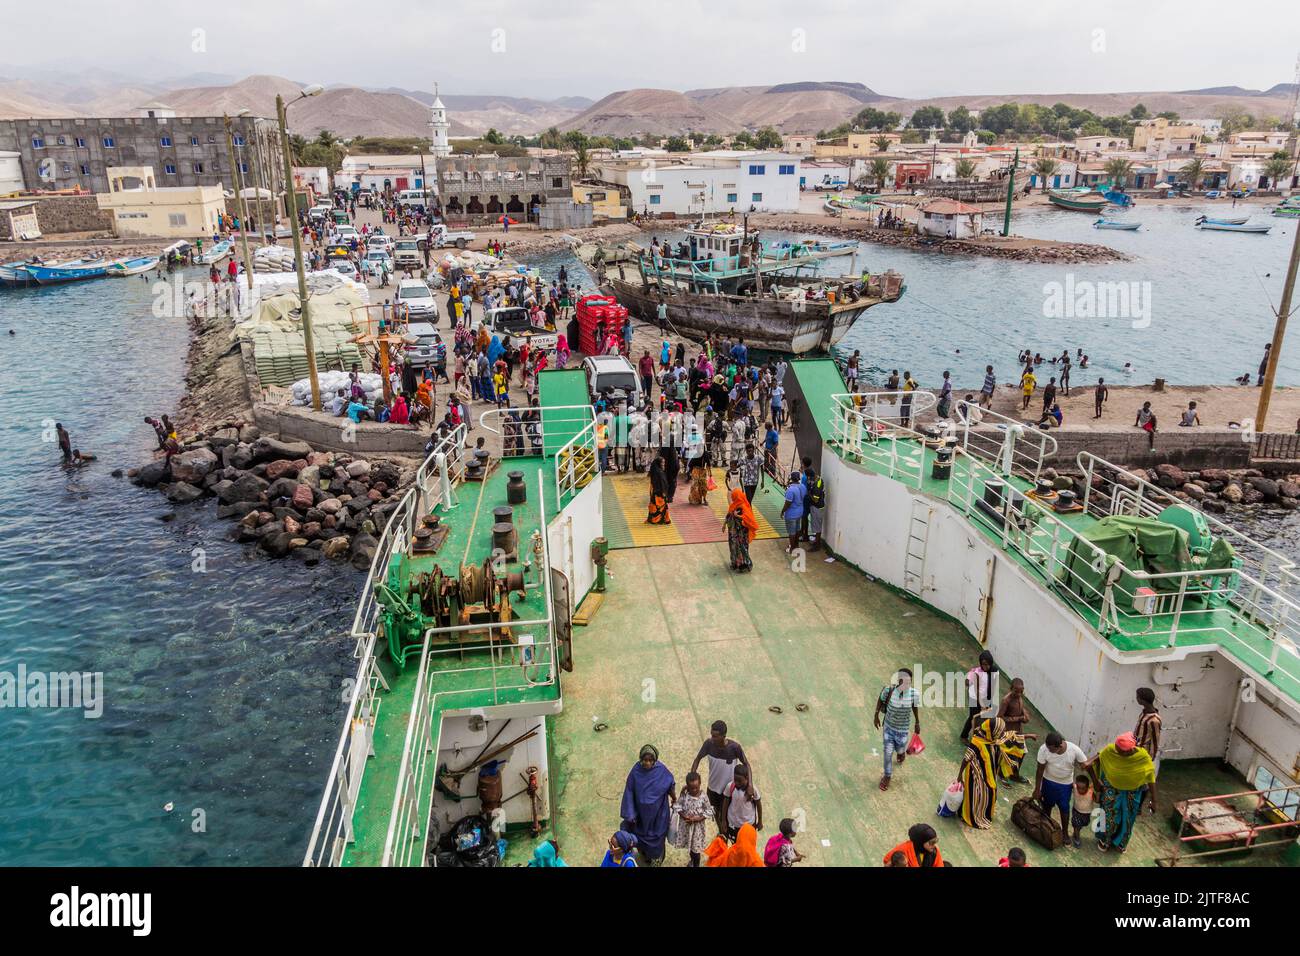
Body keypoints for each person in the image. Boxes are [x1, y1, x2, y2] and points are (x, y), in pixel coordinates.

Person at [1086, 733, 1157, 853]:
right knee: (1108, 816)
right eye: (1116, 749)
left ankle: (1122, 842)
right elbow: (1100, 756)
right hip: (1111, 789)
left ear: (1128, 751)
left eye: (1120, 751)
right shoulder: (1111, 750)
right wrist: (1094, 773)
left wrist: (1154, 801)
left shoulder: (1142, 757)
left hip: (1132, 792)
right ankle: (1105, 840)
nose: (1116, 752)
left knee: (1128, 818)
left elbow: (1150, 778)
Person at [958, 718, 1025, 829]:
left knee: (991, 792)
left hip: (989, 773)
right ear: (994, 731)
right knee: (979, 794)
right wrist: (960, 775)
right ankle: (971, 816)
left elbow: (1009, 736)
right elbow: (966, 759)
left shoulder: (993, 739)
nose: (1003, 732)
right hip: (976, 773)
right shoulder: (977, 741)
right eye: (1001, 730)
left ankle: (982, 814)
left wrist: (1029, 736)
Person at [690, 720, 752, 835]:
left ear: (724, 736)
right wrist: (691, 778)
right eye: (711, 735)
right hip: (713, 788)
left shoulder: (735, 747)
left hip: (729, 790)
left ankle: (728, 834)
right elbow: (697, 759)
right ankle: (722, 835)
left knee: (727, 815)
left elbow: (747, 764)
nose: (712, 738)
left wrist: (750, 784)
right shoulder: (708, 744)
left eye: (715, 736)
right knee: (716, 813)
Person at [619, 744, 676, 865]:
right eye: (645, 760)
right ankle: (645, 855)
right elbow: (629, 790)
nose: (648, 763)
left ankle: (657, 859)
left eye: (651, 760)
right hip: (640, 817)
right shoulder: (635, 772)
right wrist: (630, 813)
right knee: (640, 838)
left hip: (658, 816)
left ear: (655, 760)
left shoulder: (661, 771)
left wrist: (674, 798)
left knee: (657, 840)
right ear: (641, 759)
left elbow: (670, 784)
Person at [873, 667, 921, 791]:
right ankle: (887, 776)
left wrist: (917, 722)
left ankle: (901, 753)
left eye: (908, 681)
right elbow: (880, 699)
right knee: (888, 753)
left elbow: (914, 707)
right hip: (888, 727)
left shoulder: (914, 694)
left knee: (900, 748)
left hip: (903, 729)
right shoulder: (888, 690)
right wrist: (876, 715)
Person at [1033, 731, 1087, 838]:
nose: (1049, 751)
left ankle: (1065, 833)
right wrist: (1037, 788)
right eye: (1048, 748)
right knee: (1047, 805)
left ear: (1060, 745)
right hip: (1048, 781)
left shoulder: (1074, 750)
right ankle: (1046, 829)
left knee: (1064, 808)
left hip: (1065, 785)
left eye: (1052, 750)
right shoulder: (1044, 749)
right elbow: (1040, 770)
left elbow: (1084, 764)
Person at [672, 772, 712, 867]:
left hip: (697, 830)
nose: (694, 790)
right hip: (686, 828)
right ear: (687, 786)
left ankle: (696, 864)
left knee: (696, 850)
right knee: (690, 848)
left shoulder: (703, 796)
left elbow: (709, 811)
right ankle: (692, 861)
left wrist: (697, 819)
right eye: (691, 788)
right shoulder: (685, 795)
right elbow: (677, 806)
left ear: (700, 784)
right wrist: (684, 816)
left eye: (696, 788)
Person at [959, 650, 999, 741]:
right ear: (980, 663)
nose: (986, 666)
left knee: (985, 716)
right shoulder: (977, 673)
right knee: (973, 716)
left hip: (984, 696)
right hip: (974, 697)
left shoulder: (994, 671)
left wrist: (989, 702)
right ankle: (964, 736)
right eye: (983, 664)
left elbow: (993, 685)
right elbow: (976, 691)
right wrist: (982, 705)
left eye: (988, 664)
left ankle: (979, 736)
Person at [720, 764, 762, 841]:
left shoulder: (753, 790)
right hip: (733, 823)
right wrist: (723, 821)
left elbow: (759, 804)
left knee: (747, 847)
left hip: (748, 825)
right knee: (735, 845)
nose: (736, 782)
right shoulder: (730, 786)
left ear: (747, 778)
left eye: (739, 780)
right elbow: (725, 803)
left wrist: (760, 821)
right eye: (735, 779)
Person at [726, 486, 758, 572]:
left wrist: (736, 515)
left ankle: (738, 564)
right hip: (741, 534)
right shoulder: (743, 505)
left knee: (736, 548)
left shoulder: (740, 506)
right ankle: (742, 563)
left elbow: (747, 519)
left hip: (737, 534)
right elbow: (749, 520)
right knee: (742, 548)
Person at [781, 471, 806, 553]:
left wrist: (782, 511)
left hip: (791, 513)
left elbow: (788, 502)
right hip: (800, 511)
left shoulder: (791, 489)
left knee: (791, 532)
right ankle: (796, 545)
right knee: (797, 529)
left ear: (791, 478)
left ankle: (792, 549)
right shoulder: (803, 486)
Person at [803, 462, 826, 551]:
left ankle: (817, 545)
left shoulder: (817, 485)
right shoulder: (818, 479)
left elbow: (816, 499)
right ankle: (816, 542)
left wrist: (809, 494)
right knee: (816, 525)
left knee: (817, 527)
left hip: (817, 507)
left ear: (810, 476)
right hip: (816, 506)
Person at [1070, 773, 1096, 849]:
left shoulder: (1090, 792)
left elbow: (1097, 799)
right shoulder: (1075, 788)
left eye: (1083, 788)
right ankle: (1077, 838)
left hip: (1086, 814)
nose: (1080, 790)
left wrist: (1097, 794)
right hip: (1076, 811)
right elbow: (1071, 783)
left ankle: (1076, 832)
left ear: (1087, 787)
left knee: (1083, 824)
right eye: (1079, 788)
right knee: (1076, 825)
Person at [647, 454, 671, 524]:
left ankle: (655, 519)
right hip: (659, 493)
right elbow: (662, 484)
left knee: (655, 505)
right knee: (660, 506)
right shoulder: (659, 473)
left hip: (655, 492)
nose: (663, 464)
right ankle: (659, 520)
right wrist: (664, 492)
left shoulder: (655, 471)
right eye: (662, 463)